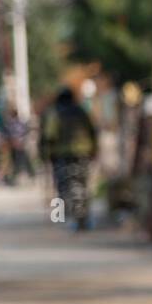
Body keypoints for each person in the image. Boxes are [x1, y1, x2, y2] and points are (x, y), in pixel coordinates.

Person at [39, 87, 97, 230]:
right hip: (83, 153)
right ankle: (83, 218)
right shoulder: (81, 112)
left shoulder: (55, 113)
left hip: (62, 154)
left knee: (62, 186)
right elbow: (92, 131)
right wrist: (94, 150)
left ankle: (59, 216)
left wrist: (45, 154)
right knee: (82, 185)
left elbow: (49, 135)